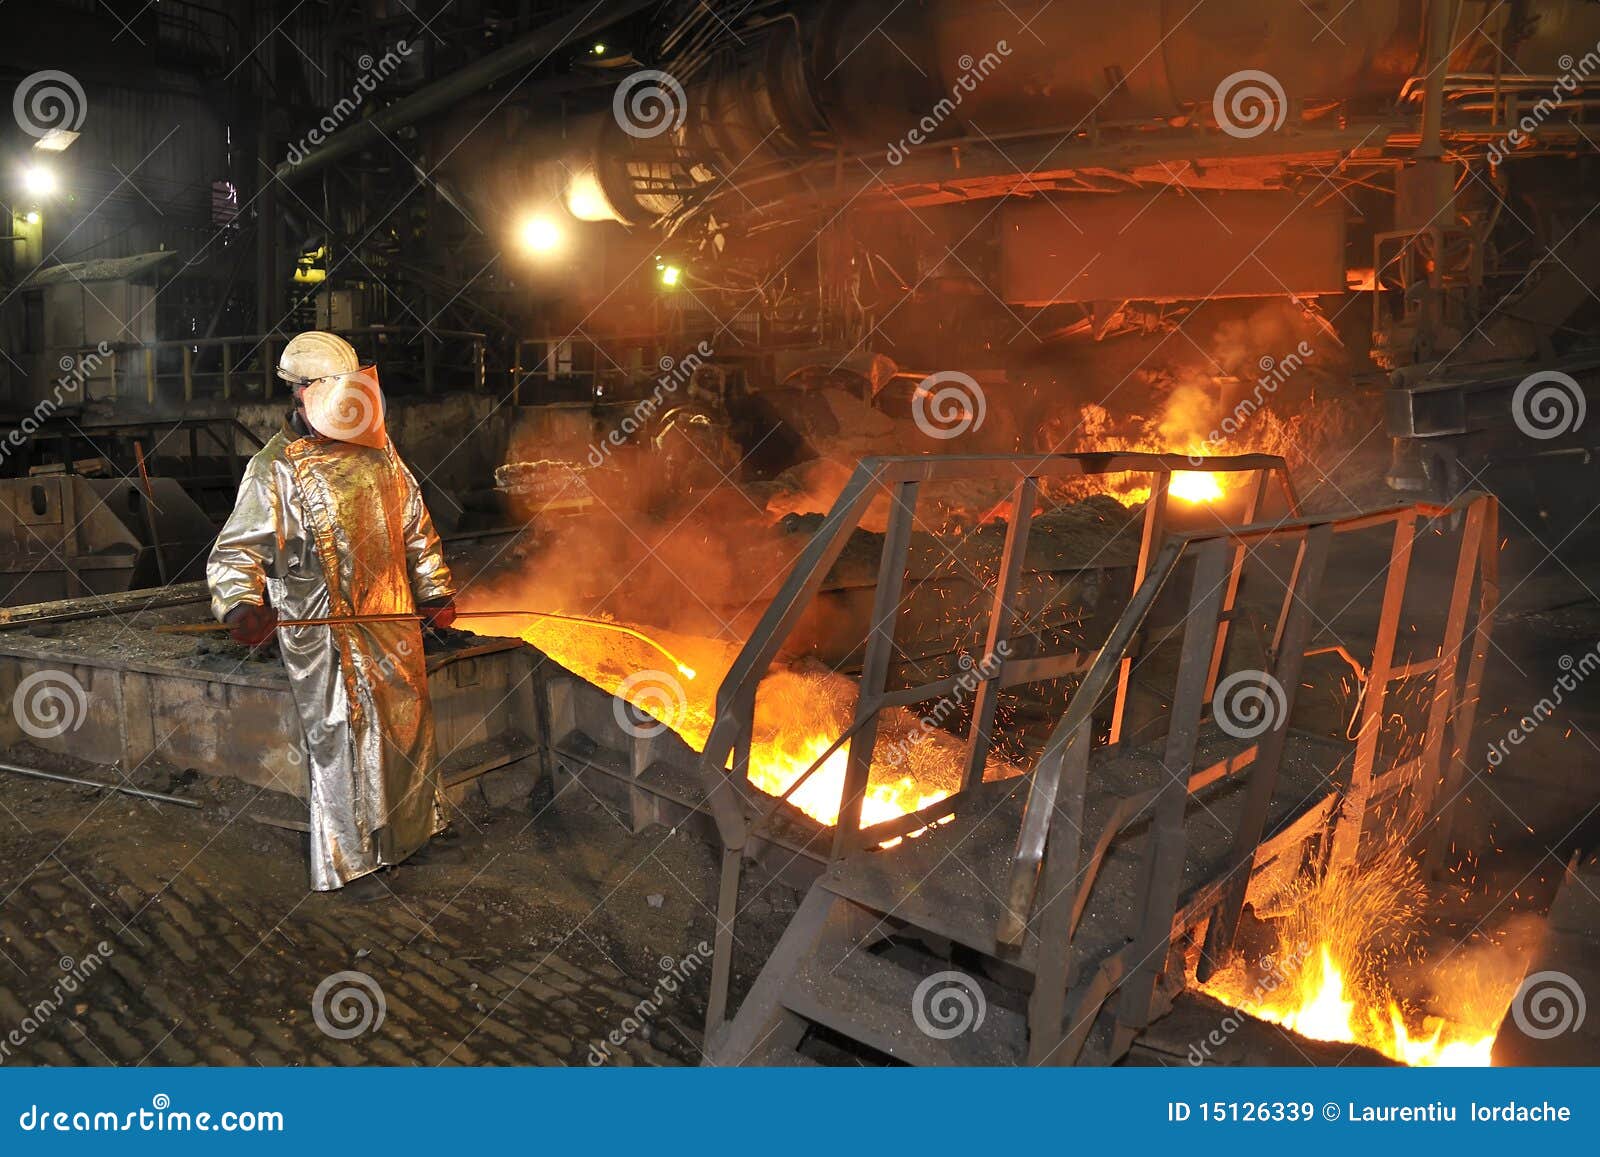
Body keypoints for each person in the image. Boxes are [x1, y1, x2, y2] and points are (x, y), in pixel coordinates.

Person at [207, 331, 458, 896]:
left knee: (405, 725)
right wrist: (242, 606)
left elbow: (414, 526)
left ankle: (412, 833)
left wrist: (435, 590)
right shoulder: (274, 468)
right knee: (341, 736)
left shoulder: (379, 454)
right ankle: (351, 860)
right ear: (300, 393)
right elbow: (236, 550)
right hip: (322, 630)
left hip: (391, 620)